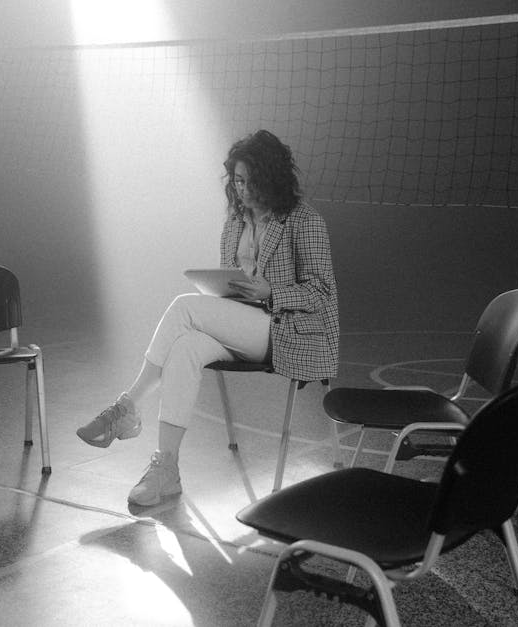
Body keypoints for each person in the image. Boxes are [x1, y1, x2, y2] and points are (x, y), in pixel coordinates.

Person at [76, 129, 339, 507]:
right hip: (242, 325)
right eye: (238, 181)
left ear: (272, 177)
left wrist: (272, 293)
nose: (244, 190)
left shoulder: (303, 220)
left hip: (287, 331)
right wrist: (226, 292)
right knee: (184, 347)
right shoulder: (235, 222)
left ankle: (127, 408)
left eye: (251, 181)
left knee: (184, 307)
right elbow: (230, 283)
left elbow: (323, 294)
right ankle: (166, 469)